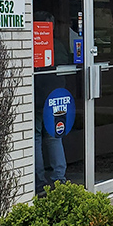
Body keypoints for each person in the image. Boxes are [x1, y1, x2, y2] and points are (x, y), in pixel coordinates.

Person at [34, 11, 71, 192]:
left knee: (37, 137)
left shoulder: (31, 44)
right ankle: (59, 179)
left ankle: (39, 182)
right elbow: (65, 65)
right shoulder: (57, 45)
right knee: (54, 137)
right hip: (55, 96)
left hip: (38, 97)